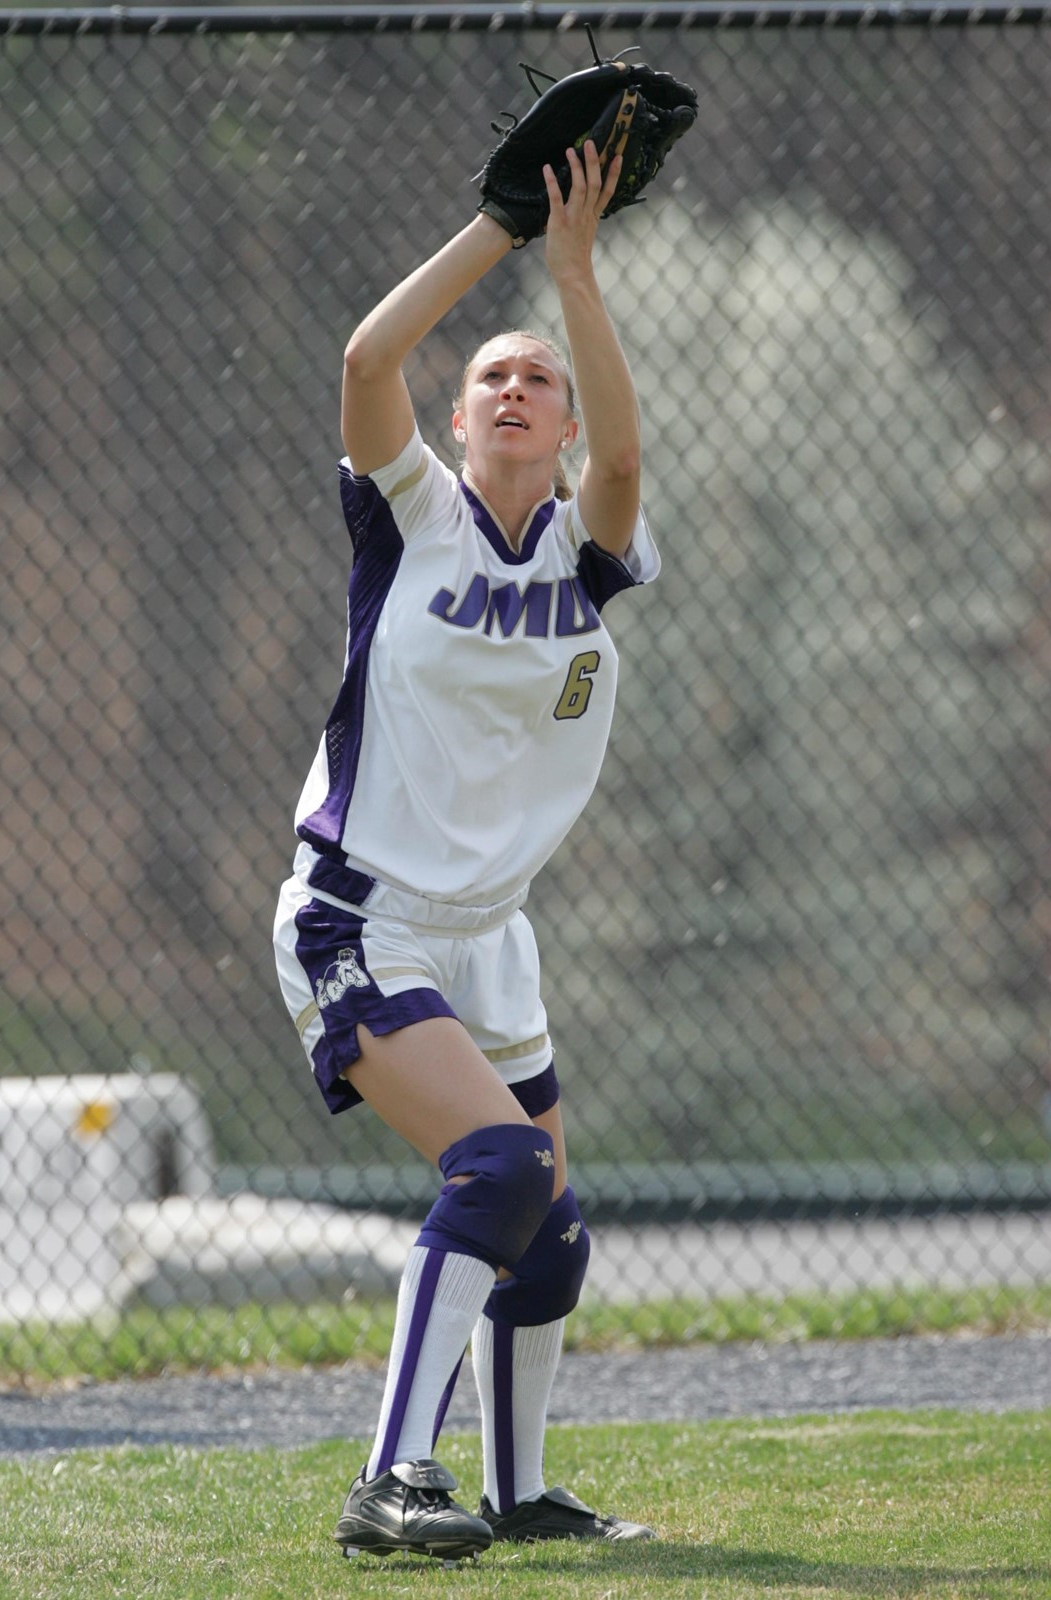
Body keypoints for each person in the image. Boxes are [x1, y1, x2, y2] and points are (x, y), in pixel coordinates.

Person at [273, 139, 661, 1563]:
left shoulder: (588, 549)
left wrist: (575, 277)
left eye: (536, 378)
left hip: (492, 932)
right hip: (360, 912)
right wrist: (502, 232)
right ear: (459, 414)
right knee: (497, 1172)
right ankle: (393, 1482)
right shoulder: (412, 515)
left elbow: (626, 459)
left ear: (559, 430)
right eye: (493, 375)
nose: (513, 386)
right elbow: (370, 354)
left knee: (549, 1227)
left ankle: (521, 1492)